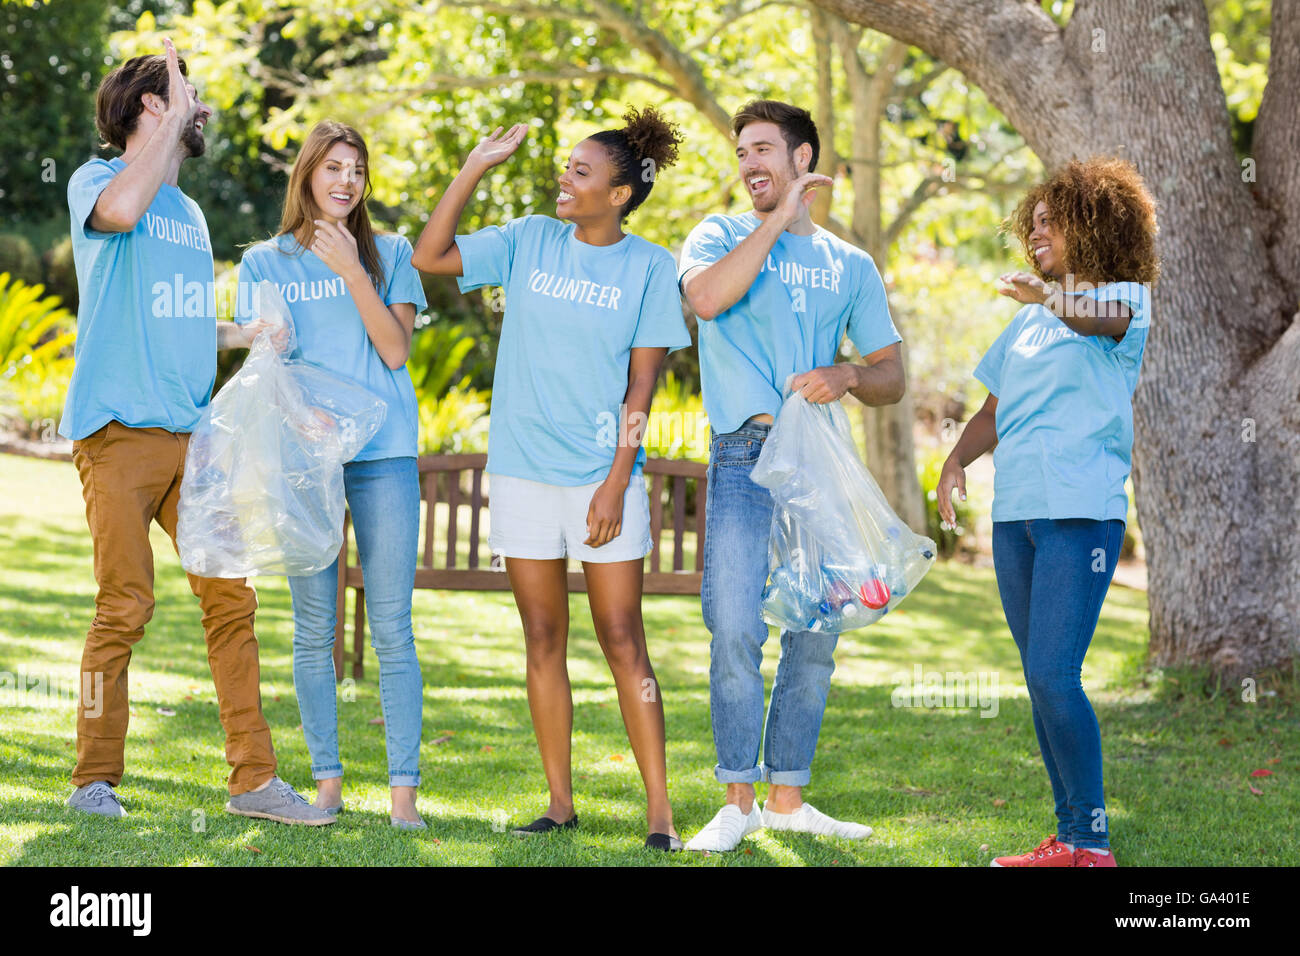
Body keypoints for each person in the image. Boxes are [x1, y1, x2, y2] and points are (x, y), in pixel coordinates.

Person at [61, 39, 332, 825]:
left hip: (195, 440)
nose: (200, 109)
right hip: (116, 435)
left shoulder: (188, 213)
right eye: (187, 97)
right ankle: (92, 779)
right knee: (125, 604)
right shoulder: (99, 179)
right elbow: (117, 216)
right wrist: (174, 112)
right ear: (154, 104)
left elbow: (177, 318)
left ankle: (252, 782)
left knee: (231, 600)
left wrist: (245, 332)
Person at [411, 107, 692, 851]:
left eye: (580, 172)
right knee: (542, 634)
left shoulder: (651, 268)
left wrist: (614, 481)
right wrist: (475, 166)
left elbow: (643, 392)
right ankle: (559, 804)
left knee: (623, 637)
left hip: (603, 479)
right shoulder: (529, 239)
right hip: (522, 473)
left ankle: (659, 812)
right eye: (565, 168)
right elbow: (428, 257)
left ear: (620, 193)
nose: (563, 180)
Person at [677, 99, 906, 852]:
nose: (748, 164)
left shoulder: (850, 264)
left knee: (816, 630)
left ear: (801, 158)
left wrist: (846, 372)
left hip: (820, 463)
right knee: (735, 625)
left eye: (764, 150)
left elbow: (892, 375)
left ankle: (787, 798)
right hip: (745, 454)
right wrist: (776, 222)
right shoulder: (717, 236)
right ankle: (737, 799)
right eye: (742, 151)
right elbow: (706, 299)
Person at [936, 157, 1158, 868]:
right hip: (1017, 517)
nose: (1036, 233)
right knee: (1039, 675)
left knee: (1057, 673)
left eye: (1050, 222)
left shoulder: (1123, 300)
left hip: (1080, 515)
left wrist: (1046, 297)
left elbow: (1097, 317)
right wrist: (952, 461)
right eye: (1032, 224)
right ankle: (1069, 837)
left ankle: (1091, 842)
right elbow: (993, 410)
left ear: (1094, 226)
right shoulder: (1025, 326)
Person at [234, 120, 428, 829]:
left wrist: (352, 271)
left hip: (384, 458)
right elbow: (263, 366)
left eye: (357, 170)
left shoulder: (393, 253)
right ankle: (327, 783)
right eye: (333, 167)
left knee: (393, 626)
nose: (346, 180)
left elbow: (396, 350)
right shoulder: (264, 263)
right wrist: (296, 407)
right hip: (304, 461)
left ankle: (403, 792)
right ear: (308, 174)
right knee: (314, 630)